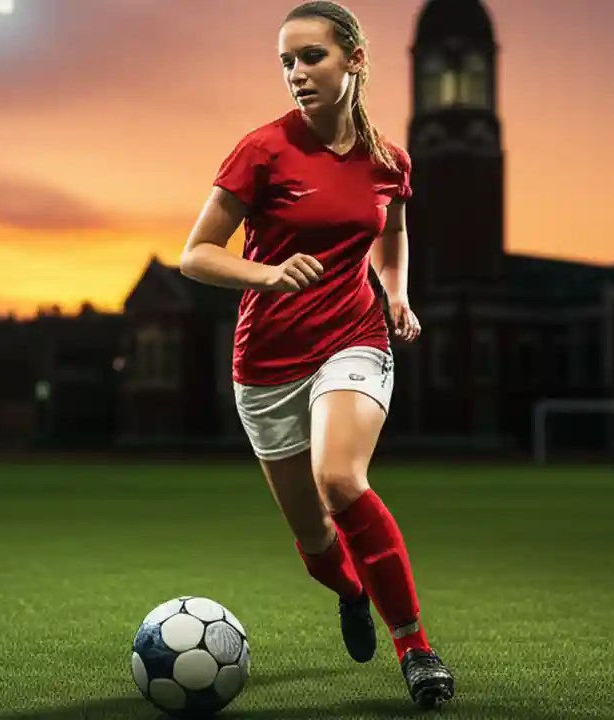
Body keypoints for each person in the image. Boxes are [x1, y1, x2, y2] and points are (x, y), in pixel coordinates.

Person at [178, 0, 455, 710]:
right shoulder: (261, 150)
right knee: (314, 537)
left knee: (340, 478)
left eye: (312, 57)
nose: (297, 74)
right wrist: (266, 274)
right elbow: (196, 255)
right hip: (266, 363)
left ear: (355, 59)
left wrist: (394, 293)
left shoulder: (390, 159)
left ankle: (416, 648)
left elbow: (391, 229)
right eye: (286, 63)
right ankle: (351, 590)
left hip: (352, 339)